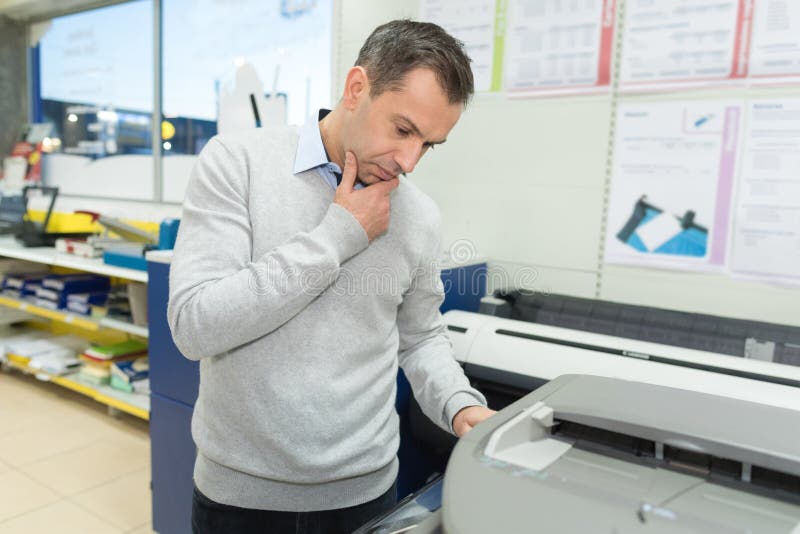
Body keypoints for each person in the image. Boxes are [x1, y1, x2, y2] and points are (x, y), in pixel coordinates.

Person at [168, 19, 496, 534]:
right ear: (357, 88)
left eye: (428, 144)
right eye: (403, 130)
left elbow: (420, 338)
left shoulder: (419, 216)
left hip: (365, 493)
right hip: (239, 498)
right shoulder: (236, 163)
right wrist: (338, 234)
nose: (409, 161)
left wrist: (459, 404)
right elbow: (195, 326)